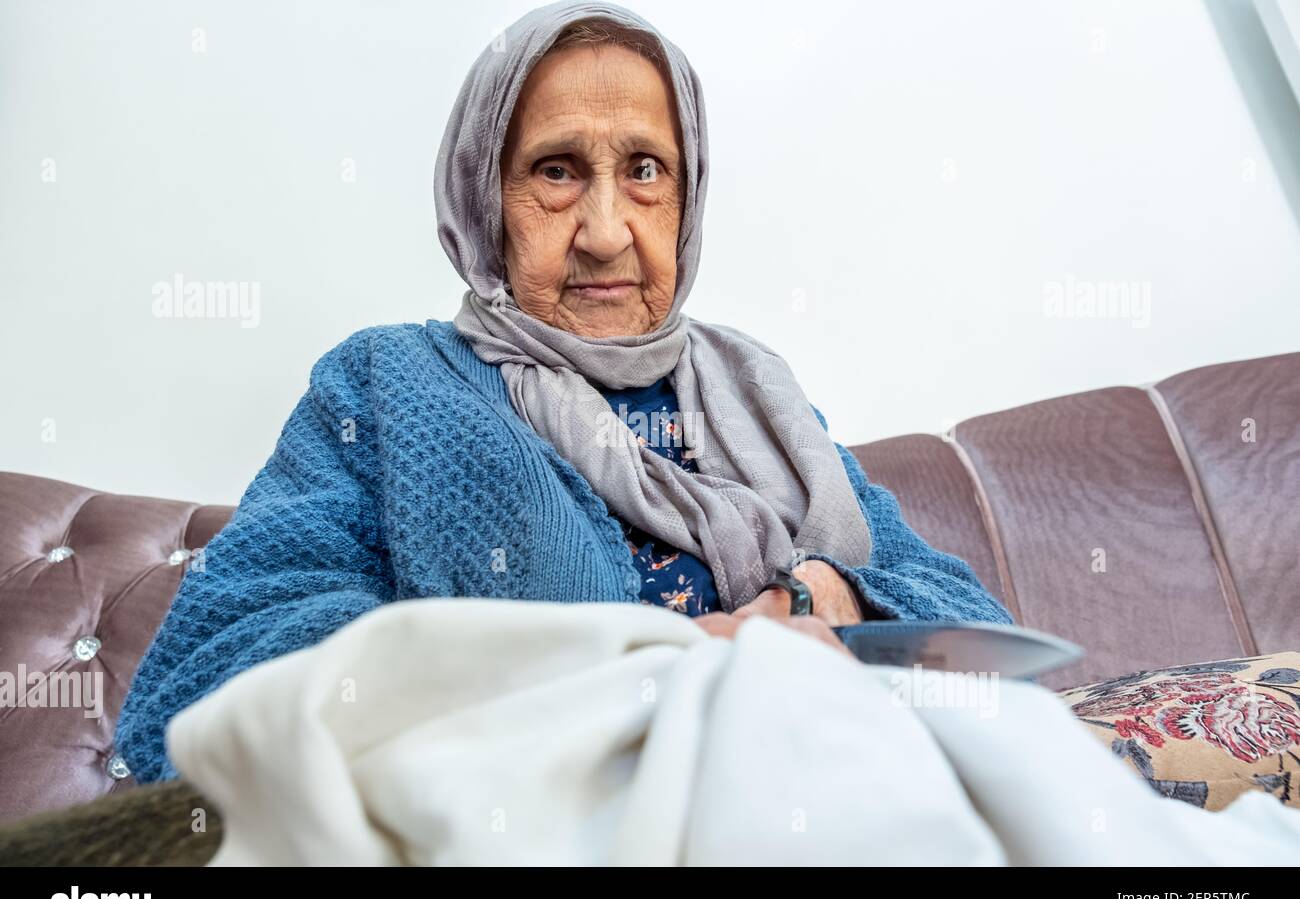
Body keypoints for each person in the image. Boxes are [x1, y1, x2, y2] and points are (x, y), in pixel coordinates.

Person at [113, 1, 1011, 786]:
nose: (607, 231)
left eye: (646, 171)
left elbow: (977, 629)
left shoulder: (757, 393)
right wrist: (630, 669)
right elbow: (205, 679)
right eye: (557, 171)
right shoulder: (388, 385)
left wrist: (818, 597)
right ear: (484, 196)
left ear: (686, 199)